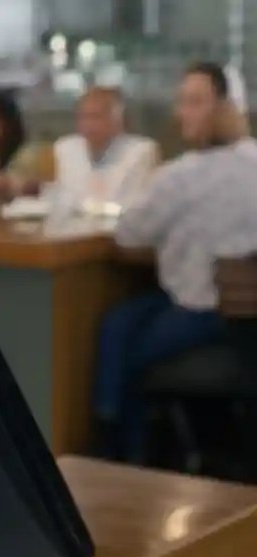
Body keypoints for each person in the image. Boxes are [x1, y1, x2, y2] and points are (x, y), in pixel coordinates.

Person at [95, 61, 257, 462]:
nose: (181, 112)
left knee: (122, 356)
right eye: (181, 101)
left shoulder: (180, 176)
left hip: (203, 310)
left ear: (225, 108)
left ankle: (121, 455)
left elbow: (128, 234)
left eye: (195, 102)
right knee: (119, 323)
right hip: (242, 318)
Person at [53, 88, 159, 212]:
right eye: (83, 117)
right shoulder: (65, 148)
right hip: (71, 221)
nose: (88, 124)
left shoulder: (141, 151)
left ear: (117, 120)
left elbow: (135, 204)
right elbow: (61, 199)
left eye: (96, 117)